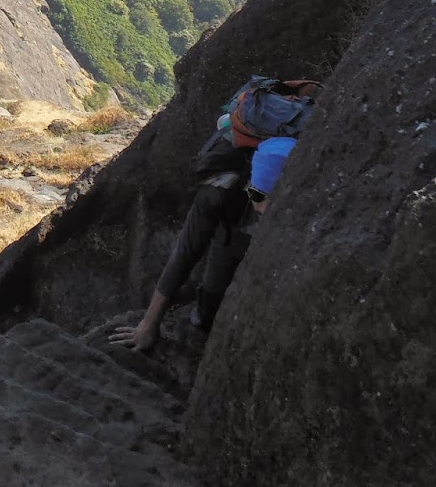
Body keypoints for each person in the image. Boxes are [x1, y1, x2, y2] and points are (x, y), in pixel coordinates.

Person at [110, 136, 298, 352]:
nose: (262, 207)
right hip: (230, 232)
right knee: (209, 303)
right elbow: (186, 252)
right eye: (256, 194)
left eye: (272, 200)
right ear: (249, 183)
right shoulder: (217, 192)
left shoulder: (303, 197)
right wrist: (148, 324)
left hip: (262, 238)